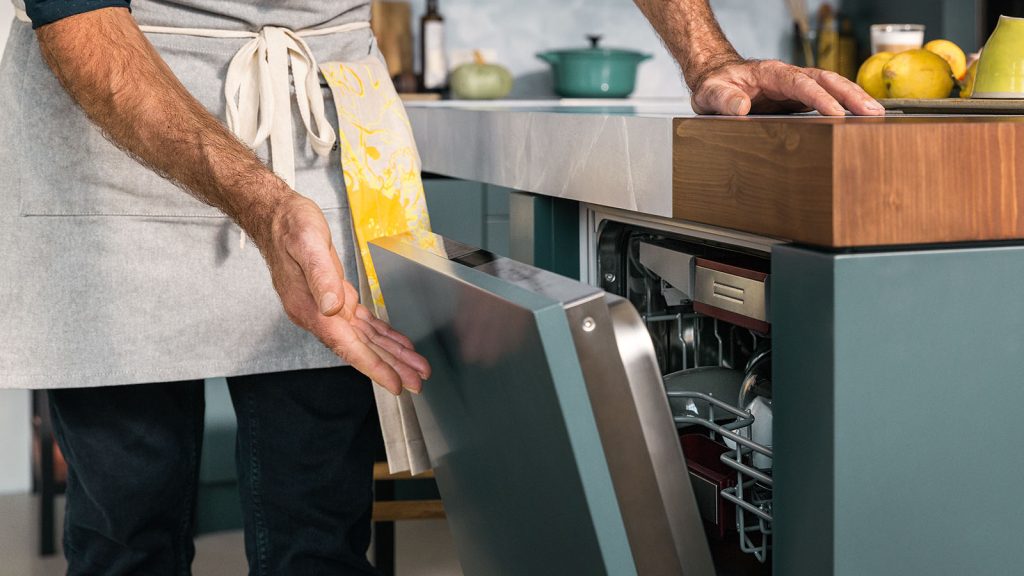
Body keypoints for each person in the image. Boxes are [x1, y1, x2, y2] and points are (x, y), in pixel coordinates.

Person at [0, 0, 881, 574]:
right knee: (128, 525)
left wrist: (708, 55)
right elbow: (76, 14)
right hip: (113, 118)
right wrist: (265, 207)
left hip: (317, 112)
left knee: (319, 516)